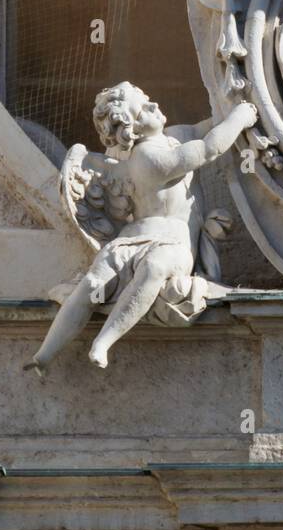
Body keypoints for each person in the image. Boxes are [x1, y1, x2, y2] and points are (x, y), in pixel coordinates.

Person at [25, 83, 256, 372]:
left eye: (150, 101)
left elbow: (206, 130)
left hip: (172, 246)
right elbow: (210, 148)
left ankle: (102, 342)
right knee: (92, 284)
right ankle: (44, 356)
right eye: (144, 109)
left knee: (155, 268)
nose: (155, 107)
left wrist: (232, 109)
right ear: (130, 129)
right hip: (134, 239)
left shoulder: (175, 137)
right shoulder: (146, 159)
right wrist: (242, 117)